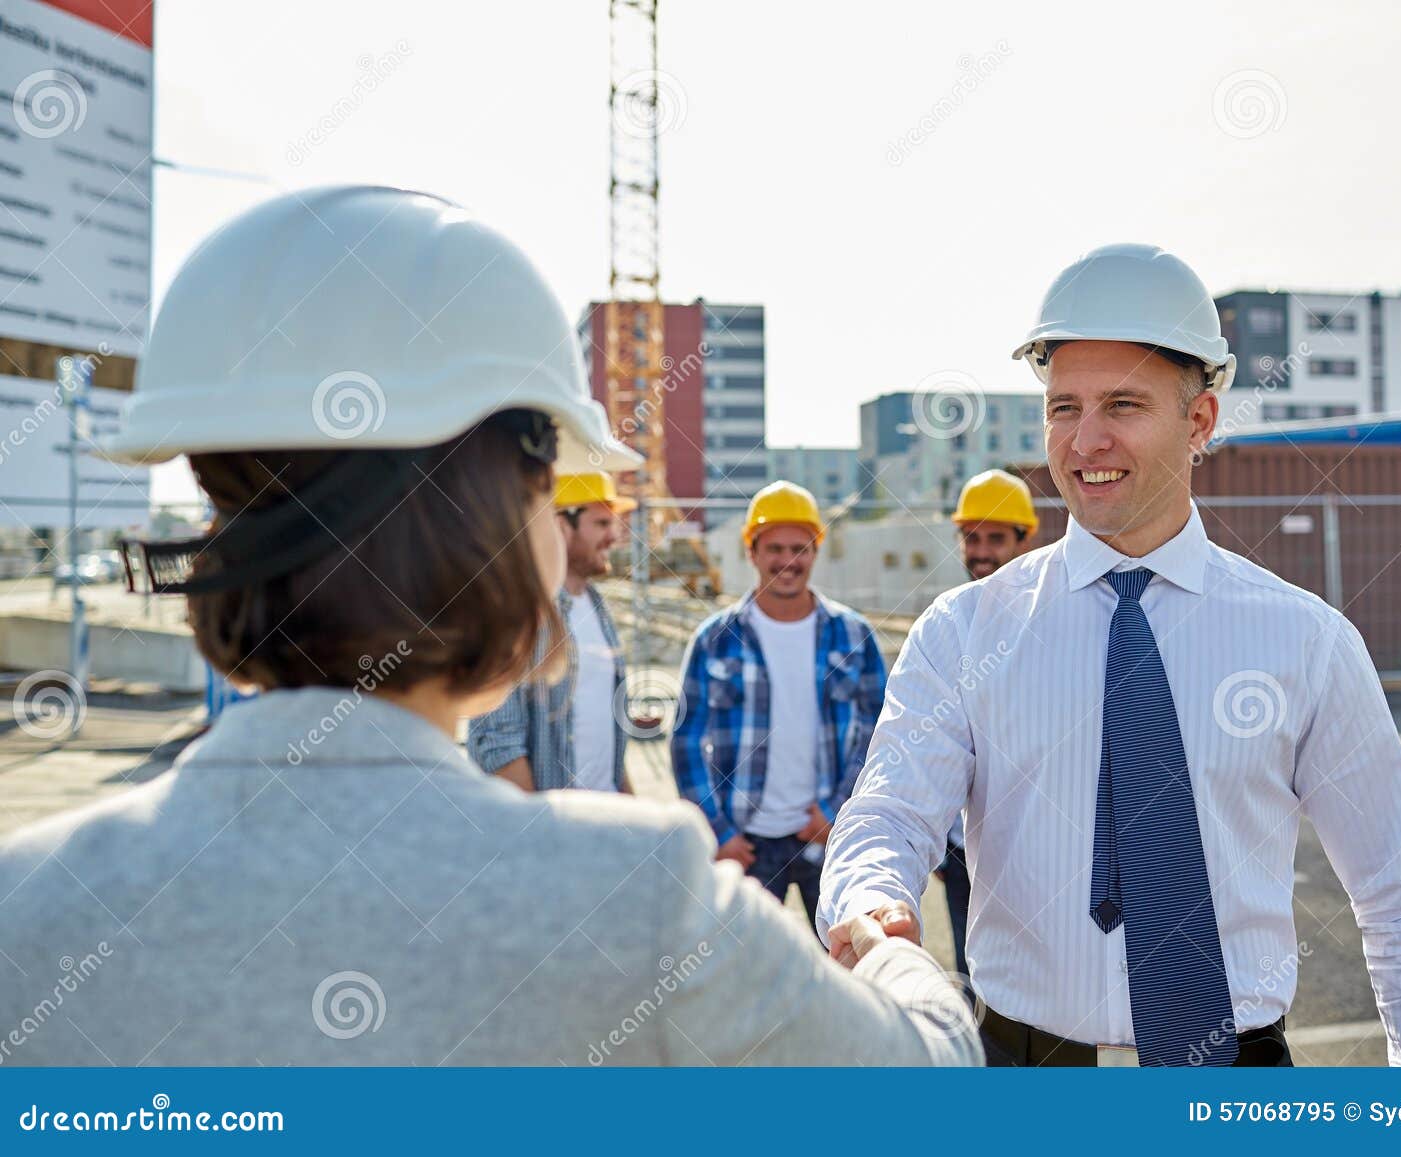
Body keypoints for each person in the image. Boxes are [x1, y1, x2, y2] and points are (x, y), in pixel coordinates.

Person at [0, 187, 979, 1066]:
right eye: (550, 492)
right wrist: (896, 956)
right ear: (503, 525)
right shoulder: (636, 901)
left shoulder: (29, 905)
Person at [818, 243, 1401, 1067]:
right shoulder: (964, 632)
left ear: (1200, 420)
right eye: (1064, 407)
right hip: (1024, 1071)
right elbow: (886, 814)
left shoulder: (1306, 643)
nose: (1084, 440)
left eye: (1122, 405)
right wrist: (873, 894)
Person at [672, 481, 887, 926]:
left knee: (844, 970)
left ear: (815, 552)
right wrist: (719, 833)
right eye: (775, 548)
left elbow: (880, 731)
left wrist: (836, 811)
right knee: (744, 974)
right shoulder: (714, 639)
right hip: (745, 843)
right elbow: (687, 742)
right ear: (751, 551)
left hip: (827, 838)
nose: (788, 561)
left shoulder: (852, 635)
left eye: (800, 548)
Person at [468, 471, 634, 793]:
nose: (614, 536)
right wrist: (541, 832)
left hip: (606, 818)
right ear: (560, 526)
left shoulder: (598, 608)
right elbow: (499, 742)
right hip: (557, 827)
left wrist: (629, 803)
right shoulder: (519, 616)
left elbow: (606, 731)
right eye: (601, 524)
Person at [937, 469, 1038, 979]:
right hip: (964, 854)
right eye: (971, 537)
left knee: (1052, 1002)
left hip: (1042, 854)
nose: (981, 551)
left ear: (1027, 539)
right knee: (972, 983)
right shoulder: (951, 626)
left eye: (995, 538)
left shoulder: (1059, 625)